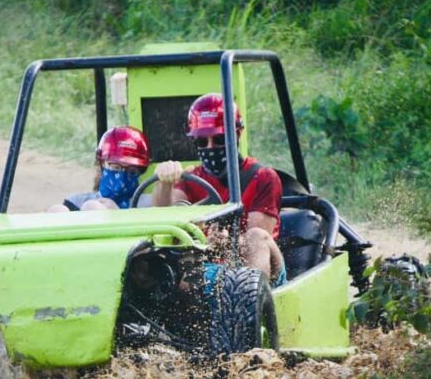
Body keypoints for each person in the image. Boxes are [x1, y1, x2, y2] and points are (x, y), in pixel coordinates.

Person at [152, 93, 286, 286]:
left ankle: (252, 308)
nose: (210, 147)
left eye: (219, 139)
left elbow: (257, 236)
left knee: (255, 237)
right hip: (211, 272)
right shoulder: (191, 178)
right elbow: (163, 222)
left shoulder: (263, 177)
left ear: (236, 135)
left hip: (260, 272)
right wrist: (163, 184)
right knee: (168, 271)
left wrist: (228, 243)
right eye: (202, 142)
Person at [48, 126, 150, 212]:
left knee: (92, 207)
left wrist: (117, 215)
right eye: (115, 167)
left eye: (131, 171)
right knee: (57, 210)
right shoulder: (76, 202)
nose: (121, 177)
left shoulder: (146, 205)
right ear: (101, 165)